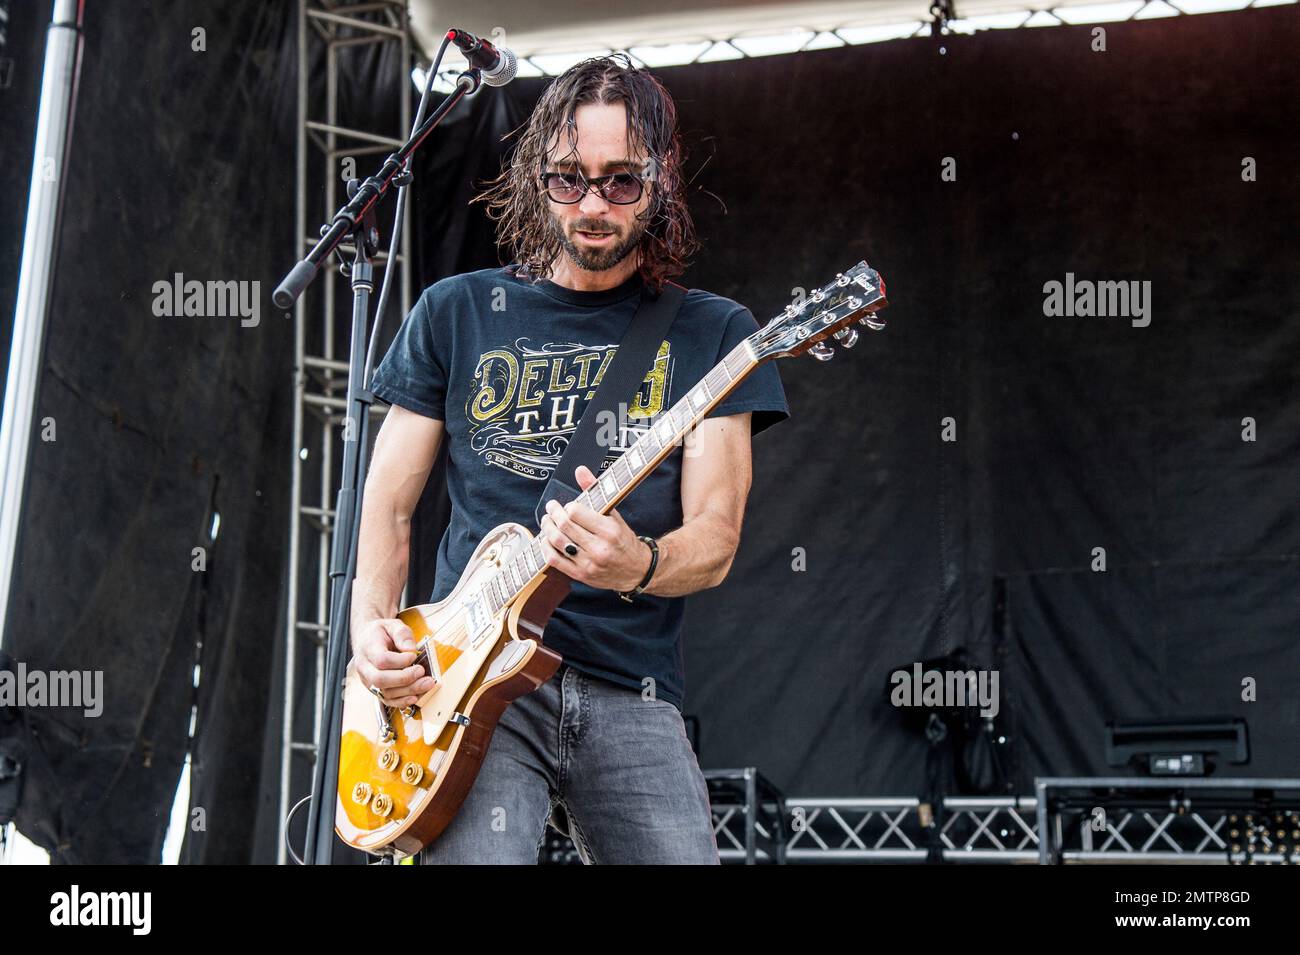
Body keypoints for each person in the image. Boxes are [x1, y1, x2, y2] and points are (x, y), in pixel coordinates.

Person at [351, 53, 788, 864]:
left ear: (658, 181)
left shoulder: (715, 335)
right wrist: (367, 636)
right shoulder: (454, 313)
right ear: (533, 175)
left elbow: (718, 534)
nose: (592, 204)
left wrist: (639, 563)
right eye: (568, 179)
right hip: (467, 680)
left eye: (620, 182)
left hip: (630, 685)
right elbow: (388, 505)